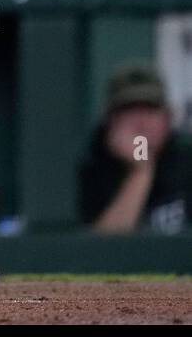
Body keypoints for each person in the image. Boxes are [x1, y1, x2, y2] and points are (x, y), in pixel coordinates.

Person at [79, 61, 192, 234]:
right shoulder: (90, 175)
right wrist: (141, 170)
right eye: (130, 110)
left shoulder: (186, 166)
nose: (141, 123)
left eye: (150, 110)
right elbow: (100, 253)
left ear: (168, 118)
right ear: (110, 121)